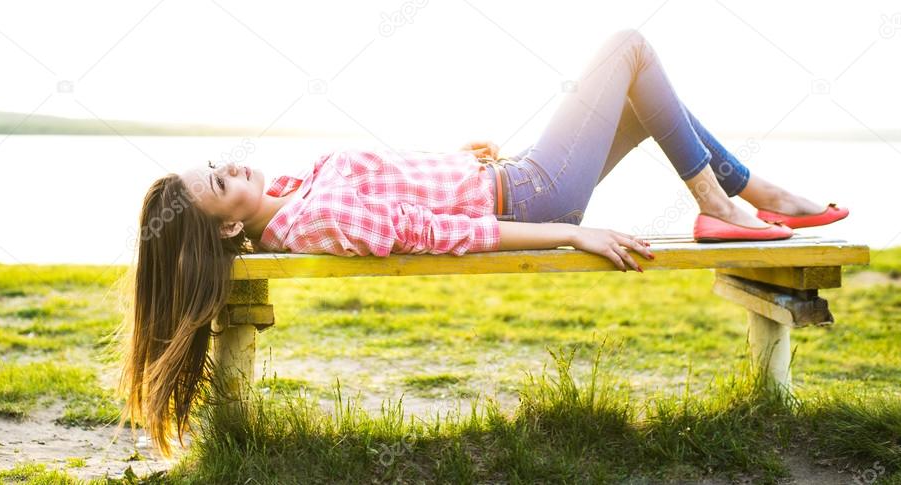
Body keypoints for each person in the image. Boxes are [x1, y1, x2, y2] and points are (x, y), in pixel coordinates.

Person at [118, 27, 848, 454]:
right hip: (532, 194)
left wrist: (459, 162)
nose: (230, 165)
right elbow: (442, 234)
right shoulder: (312, 219)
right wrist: (571, 230)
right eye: (218, 182)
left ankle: (752, 195)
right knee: (627, 47)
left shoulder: (287, 199)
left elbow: (403, 191)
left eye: (216, 162)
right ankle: (729, 200)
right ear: (225, 225)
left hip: (509, 177)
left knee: (643, 94)